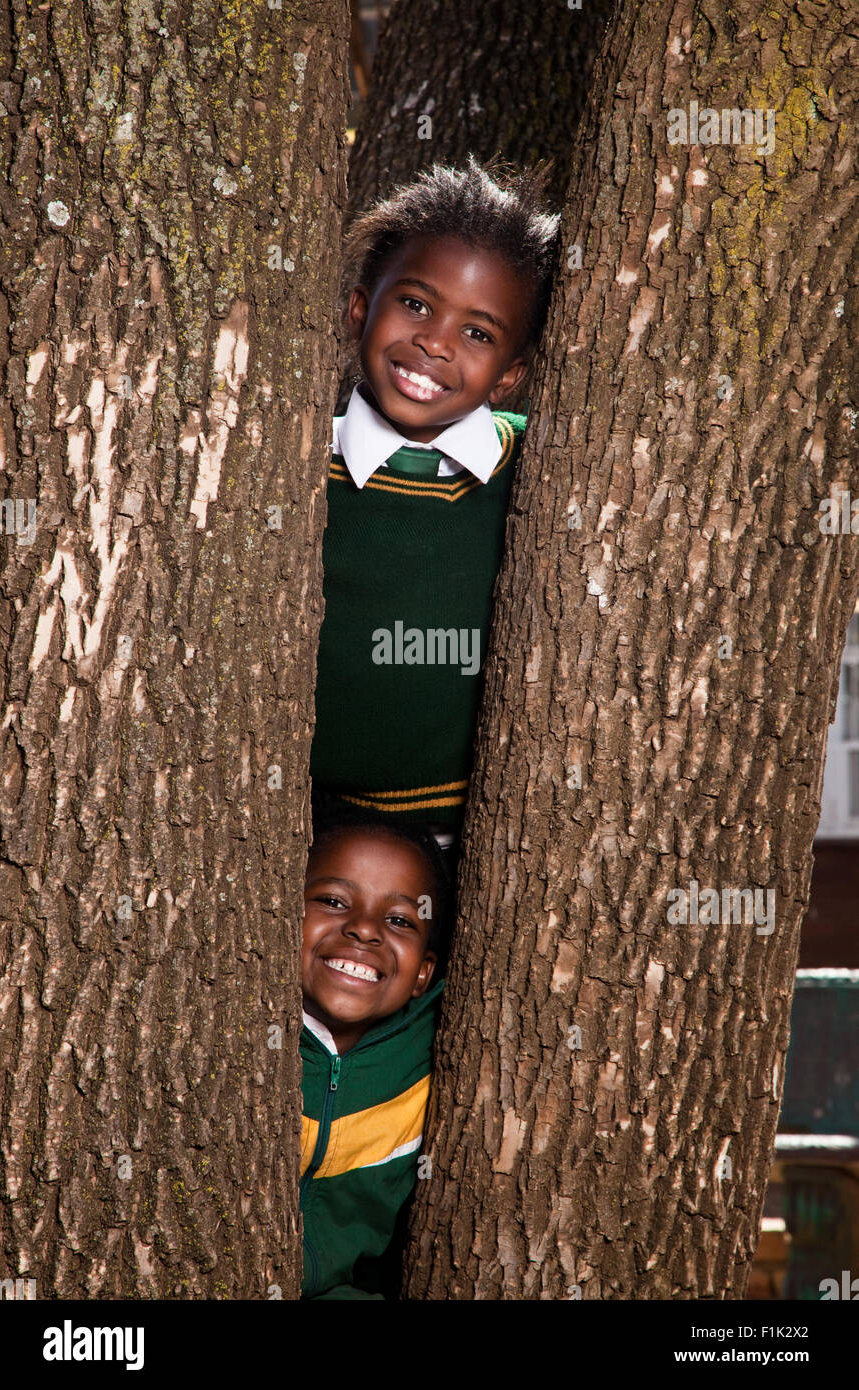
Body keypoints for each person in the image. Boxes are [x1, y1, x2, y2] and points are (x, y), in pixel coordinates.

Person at [310, 157, 560, 846]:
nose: (434, 342)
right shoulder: (293, 466)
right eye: (415, 304)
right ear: (360, 308)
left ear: (510, 374)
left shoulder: (539, 470)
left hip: (467, 842)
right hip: (298, 832)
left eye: (477, 333)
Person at [299, 805, 453, 1300]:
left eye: (398, 919)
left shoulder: (429, 1053)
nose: (365, 929)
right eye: (333, 900)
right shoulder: (230, 1031)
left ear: (424, 974)